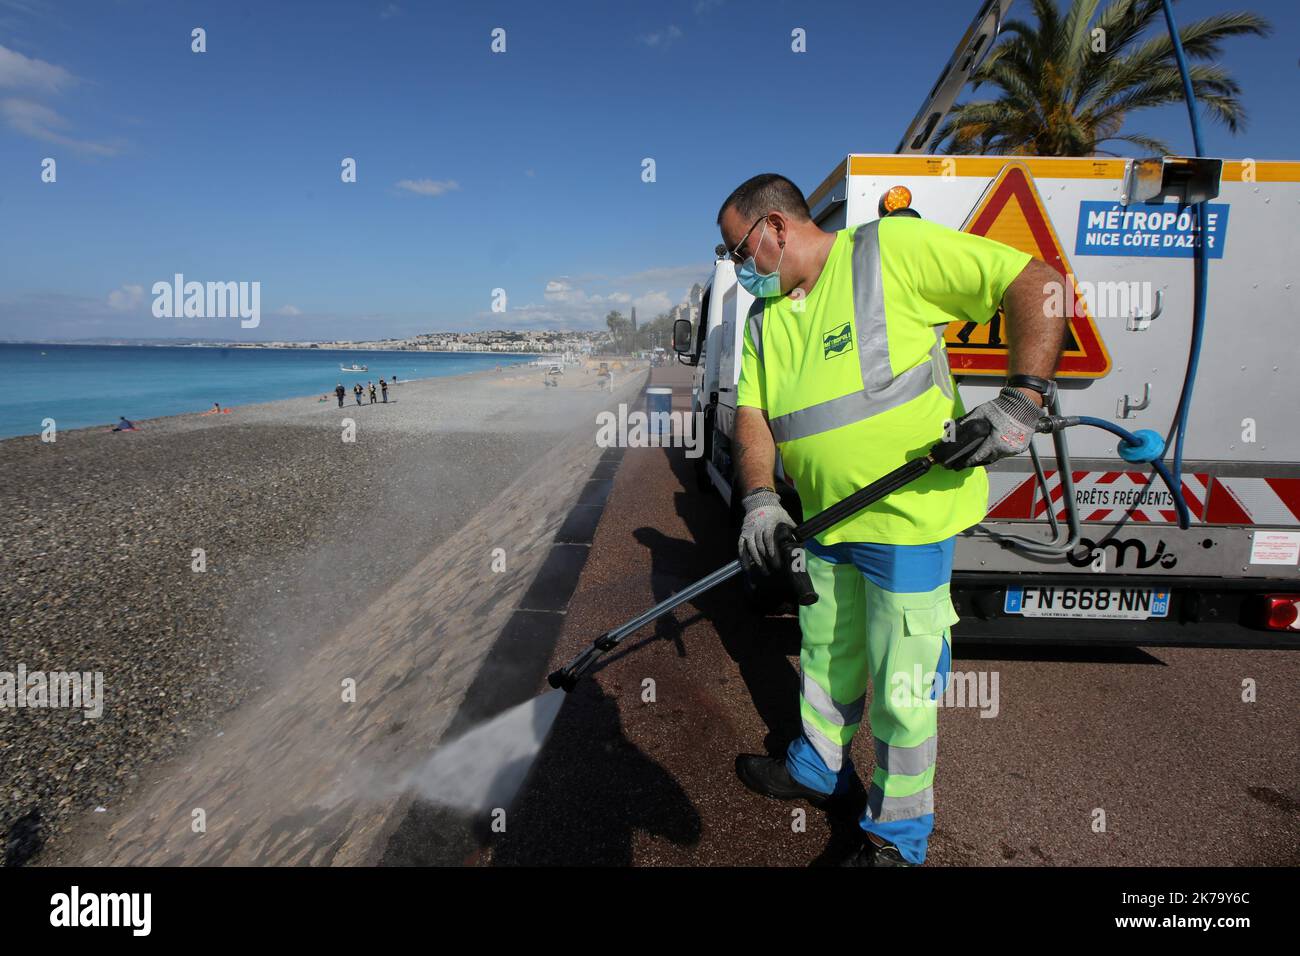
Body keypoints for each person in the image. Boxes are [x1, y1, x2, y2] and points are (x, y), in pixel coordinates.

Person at [720, 173, 1064, 867]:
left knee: (904, 688)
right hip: (822, 525)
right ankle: (819, 765)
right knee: (824, 656)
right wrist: (760, 500)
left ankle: (896, 835)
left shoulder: (887, 252)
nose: (736, 268)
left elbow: (1038, 281)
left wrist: (1022, 398)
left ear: (779, 227)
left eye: (739, 250)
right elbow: (753, 416)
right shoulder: (765, 320)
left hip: (908, 520)